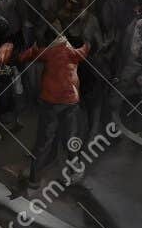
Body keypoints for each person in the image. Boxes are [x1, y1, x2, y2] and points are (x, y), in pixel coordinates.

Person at [18, 29, 91, 189]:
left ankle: (33, 179)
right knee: (70, 138)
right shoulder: (71, 52)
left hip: (49, 102)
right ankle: (74, 172)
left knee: (44, 140)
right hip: (70, 102)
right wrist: (87, 42)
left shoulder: (48, 52)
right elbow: (85, 49)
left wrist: (34, 48)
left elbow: (23, 57)